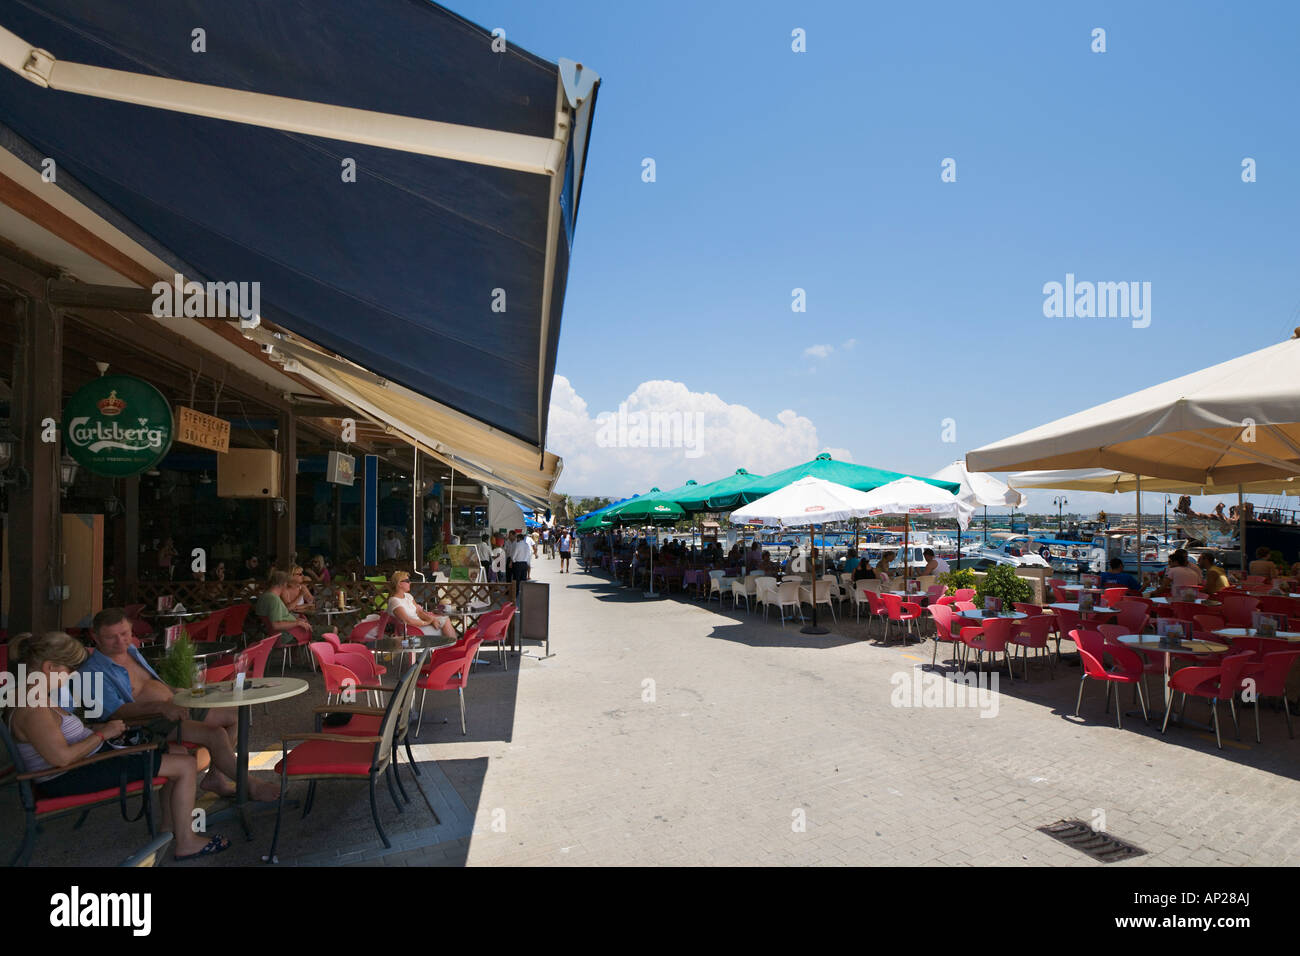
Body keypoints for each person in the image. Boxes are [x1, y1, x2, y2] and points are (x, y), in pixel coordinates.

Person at [8, 631, 231, 861]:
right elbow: (61, 759)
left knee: (179, 751)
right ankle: (187, 841)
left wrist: (94, 733)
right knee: (185, 765)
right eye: (68, 669)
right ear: (49, 668)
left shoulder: (32, 697)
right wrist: (103, 734)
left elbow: (57, 741)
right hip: (68, 776)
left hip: (84, 764)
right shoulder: (34, 710)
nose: (71, 675)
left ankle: (169, 827)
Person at [79, 609, 279, 803]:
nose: (120, 641)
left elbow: (150, 682)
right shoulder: (90, 672)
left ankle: (215, 777)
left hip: (173, 706)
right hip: (145, 723)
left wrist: (176, 691)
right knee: (215, 734)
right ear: (95, 637)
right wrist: (161, 707)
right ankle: (250, 784)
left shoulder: (131, 650)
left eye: (124, 634)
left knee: (235, 717)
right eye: (111, 637)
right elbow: (114, 713)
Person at [386, 571, 457, 640]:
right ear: (399, 584)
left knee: (445, 620)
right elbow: (408, 620)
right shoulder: (394, 601)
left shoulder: (408, 596)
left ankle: (452, 648)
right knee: (443, 627)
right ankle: (452, 649)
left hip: (420, 624)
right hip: (412, 629)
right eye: (407, 581)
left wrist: (431, 620)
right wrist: (426, 623)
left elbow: (419, 612)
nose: (410, 583)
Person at [254, 570, 311, 643]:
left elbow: (277, 620)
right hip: (288, 635)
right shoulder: (274, 599)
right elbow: (276, 625)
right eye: (286, 583)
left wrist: (297, 620)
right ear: (283, 584)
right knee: (326, 631)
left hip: (282, 634)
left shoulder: (264, 596)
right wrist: (297, 623)